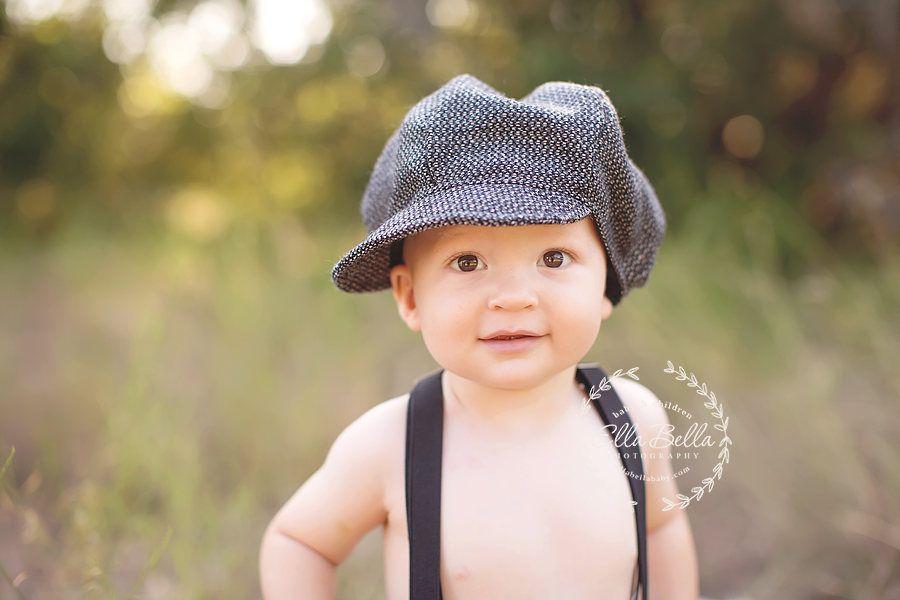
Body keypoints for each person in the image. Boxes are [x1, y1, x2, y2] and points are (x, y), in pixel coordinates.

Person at [259, 74, 699, 600]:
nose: (513, 297)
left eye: (554, 257)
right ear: (410, 297)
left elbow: (660, 528)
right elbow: (299, 541)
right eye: (467, 262)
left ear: (608, 282)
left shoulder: (635, 420)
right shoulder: (389, 445)